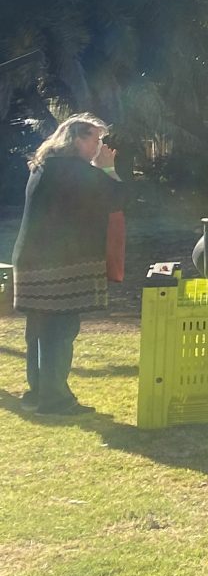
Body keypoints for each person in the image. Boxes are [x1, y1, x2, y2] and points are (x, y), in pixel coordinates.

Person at [10, 113, 121, 413]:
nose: (99, 147)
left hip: (34, 258)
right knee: (60, 329)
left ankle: (39, 393)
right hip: (58, 262)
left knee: (39, 329)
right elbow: (117, 198)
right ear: (76, 139)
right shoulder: (72, 169)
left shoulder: (45, 165)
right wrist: (107, 168)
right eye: (95, 140)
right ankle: (54, 399)